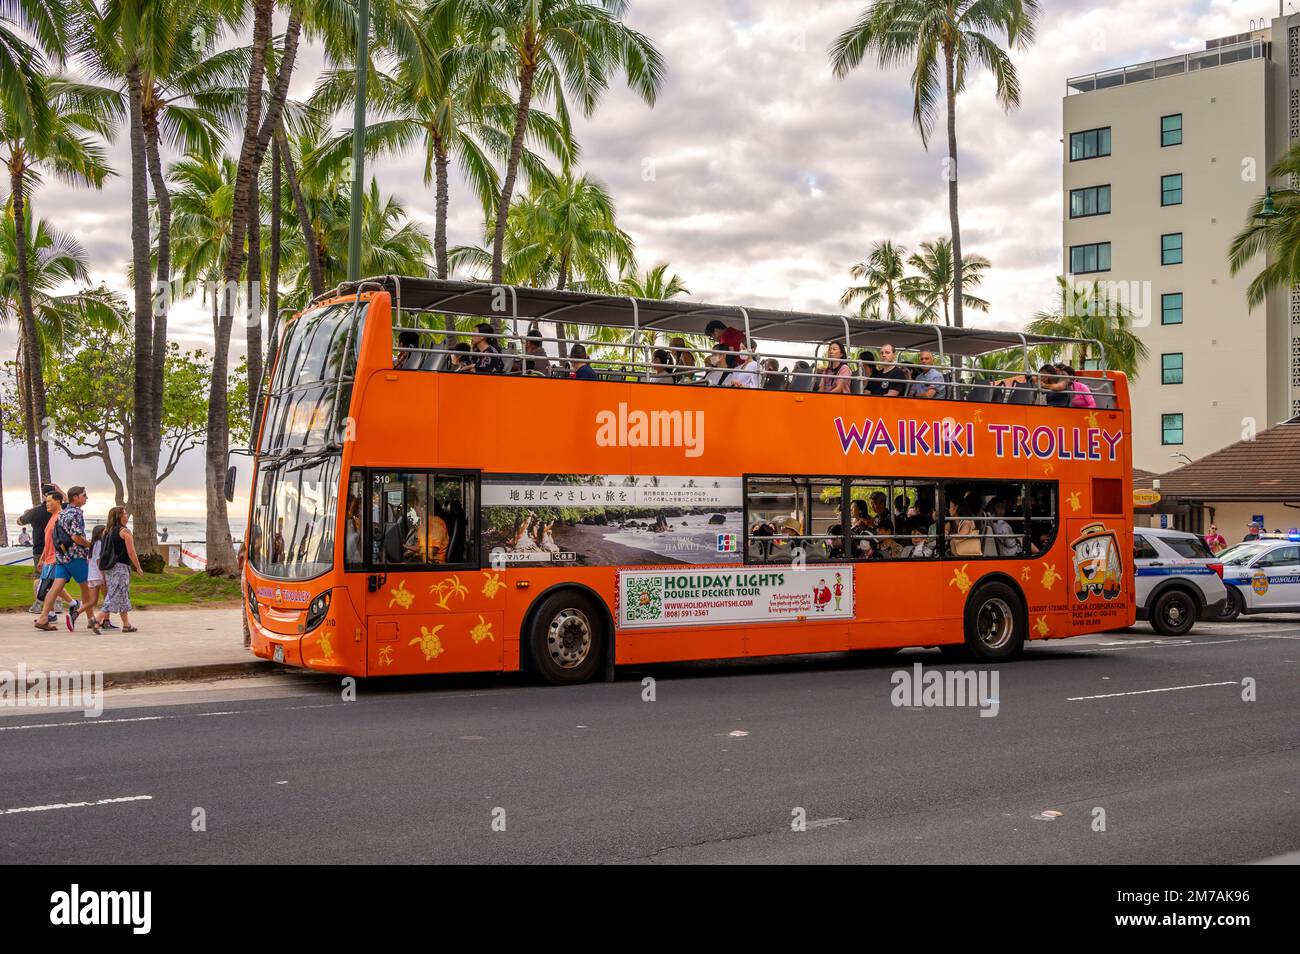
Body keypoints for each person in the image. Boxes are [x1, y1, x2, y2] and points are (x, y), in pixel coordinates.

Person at [36, 486, 92, 632]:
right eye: (84, 495)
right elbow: (76, 537)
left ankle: (43, 617)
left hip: (61, 556)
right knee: (86, 587)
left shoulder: (62, 513)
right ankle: (91, 619)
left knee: (55, 588)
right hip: (75, 555)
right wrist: (90, 545)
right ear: (76, 497)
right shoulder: (76, 513)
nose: (86, 498)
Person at [95, 506, 143, 633]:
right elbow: (131, 552)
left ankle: (126, 624)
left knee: (122, 594)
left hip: (110, 568)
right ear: (119, 516)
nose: (127, 516)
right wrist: (138, 567)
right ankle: (97, 619)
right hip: (121, 566)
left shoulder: (107, 531)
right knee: (116, 594)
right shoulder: (125, 532)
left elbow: (102, 552)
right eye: (125, 513)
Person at [17, 482, 61, 615]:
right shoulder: (61, 509)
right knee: (57, 577)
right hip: (56, 548)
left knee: (39, 576)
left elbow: (19, 521)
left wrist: (26, 514)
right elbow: (70, 503)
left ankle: (38, 604)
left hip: (39, 547)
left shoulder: (35, 511)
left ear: (43, 496)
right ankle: (57, 604)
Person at [81, 525, 107, 632]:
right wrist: (103, 576)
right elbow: (98, 561)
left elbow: (89, 561)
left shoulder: (91, 545)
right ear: (100, 533)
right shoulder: (100, 544)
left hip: (91, 576)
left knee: (92, 601)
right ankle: (100, 621)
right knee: (108, 599)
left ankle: (76, 612)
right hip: (99, 576)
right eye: (105, 532)